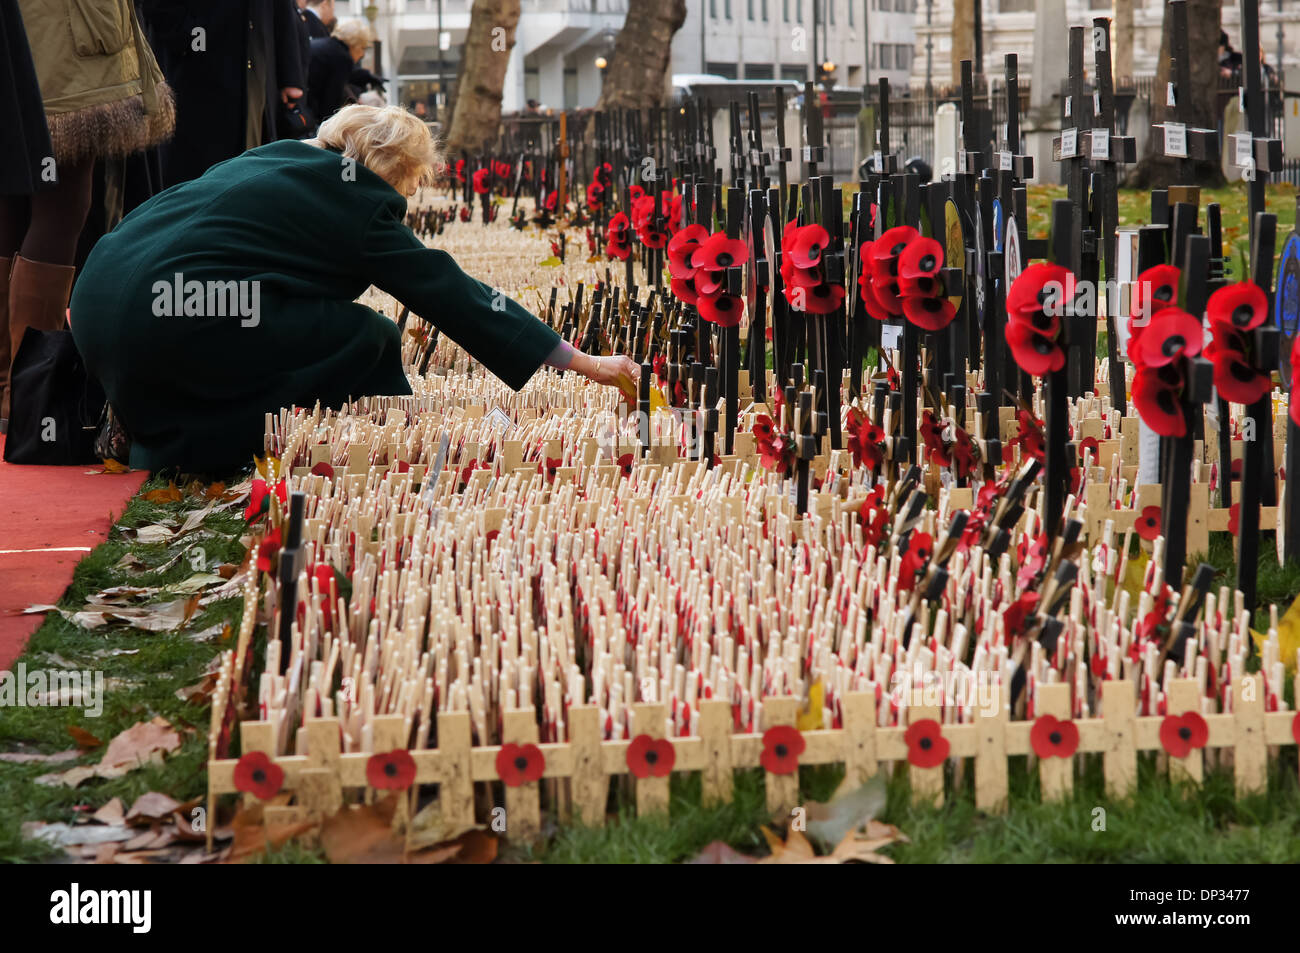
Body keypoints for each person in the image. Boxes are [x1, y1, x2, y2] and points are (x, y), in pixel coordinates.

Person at [70, 105, 638, 474]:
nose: (408, 198)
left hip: (98, 302)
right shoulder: (357, 201)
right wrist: (585, 363)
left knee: (277, 319)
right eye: (411, 182)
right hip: (163, 322)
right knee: (366, 334)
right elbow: (453, 294)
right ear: (391, 170)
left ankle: (145, 426)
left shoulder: (273, 158)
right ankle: (210, 442)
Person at [1, 0, 174, 428]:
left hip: (37, 35)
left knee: (14, 201)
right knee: (60, 206)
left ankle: (12, 386)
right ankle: (26, 391)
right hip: (63, 43)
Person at [141, 1, 306, 185]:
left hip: (256, 69)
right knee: (197, 175)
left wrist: (290, 76)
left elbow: (281, 9)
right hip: (197, 73)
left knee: (250, 169)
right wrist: (193, 37)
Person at [309, 18, 370, 123]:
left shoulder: (326, 46)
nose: (362, 54)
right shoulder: (342, 58)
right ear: (355, 44)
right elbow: (330, 103)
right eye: (363, 47)